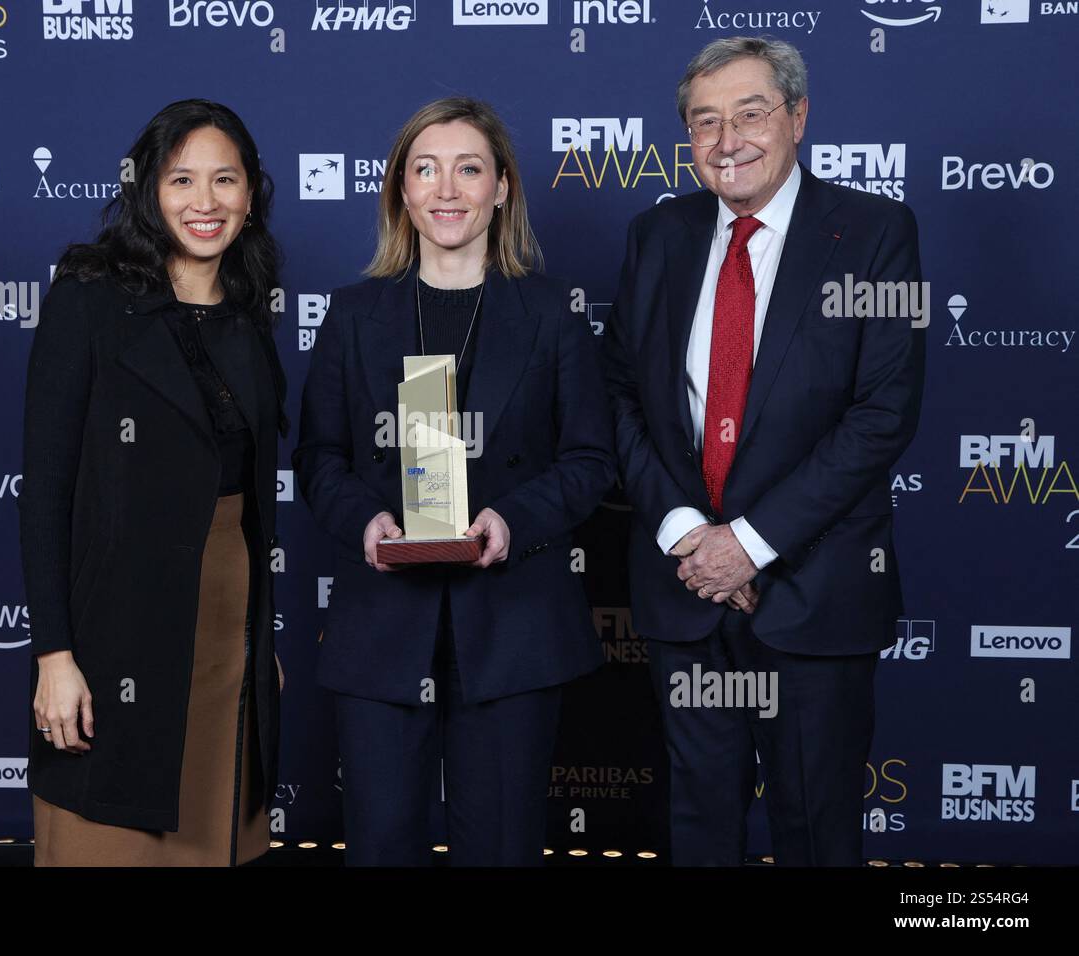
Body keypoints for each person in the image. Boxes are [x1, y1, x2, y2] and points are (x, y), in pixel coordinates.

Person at [602, 37, 925, 866]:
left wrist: (744, 546)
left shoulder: (877, 232)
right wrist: (687, 534)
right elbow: (621, 397)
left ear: (798, 118)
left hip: (815, 594)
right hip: (686, 592)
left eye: (751, 113)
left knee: (817, 831)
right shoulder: (657, 235)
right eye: (704, 122)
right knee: (697, 829)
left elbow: (882, 413)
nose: (727, 139)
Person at [293, 97, 615, 866]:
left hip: (513, 629)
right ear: (401, 190)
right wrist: (365, 521)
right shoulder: (352, 314)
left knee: (501, 848)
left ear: (501, 187)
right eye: (426, 169)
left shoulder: (551, 314)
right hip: (381, 631)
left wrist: (512, 518)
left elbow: (590, 460)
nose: (447, 188)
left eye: (469, 168)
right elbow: (319, 457)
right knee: (380, 848)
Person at [19, 99, 288, 867]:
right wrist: (54, 656)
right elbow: (44, 490)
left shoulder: (246, 315)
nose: (205, 203)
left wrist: (259, 639)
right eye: (182, 181)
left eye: (225, 181)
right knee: (111, 837)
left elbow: (253, 502)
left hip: (228, 624)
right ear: (147, 191)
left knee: (212, 830)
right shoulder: (89, 301)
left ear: (250, 194)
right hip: (112, 631)